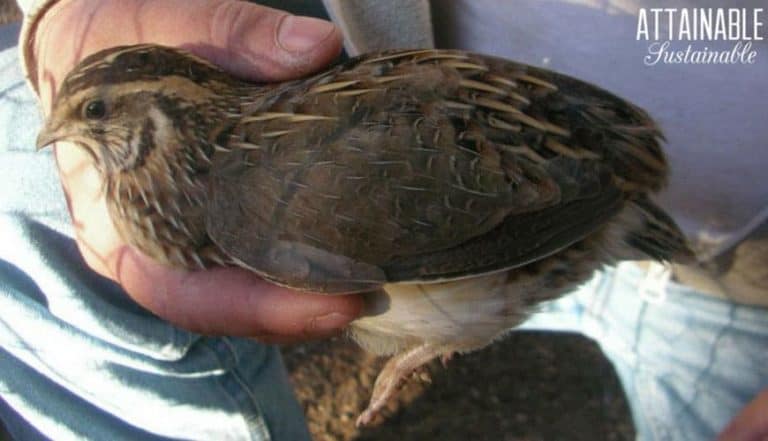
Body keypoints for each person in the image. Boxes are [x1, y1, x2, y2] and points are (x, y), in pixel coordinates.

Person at [0, 1, 765, 440]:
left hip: (692, 244)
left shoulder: (259, 203)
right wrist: (62, 8)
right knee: (20, 177)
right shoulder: (235, 187)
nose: (62, 127)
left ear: (158, 119)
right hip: (514, 170)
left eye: (95, 114)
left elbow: (552, 202)